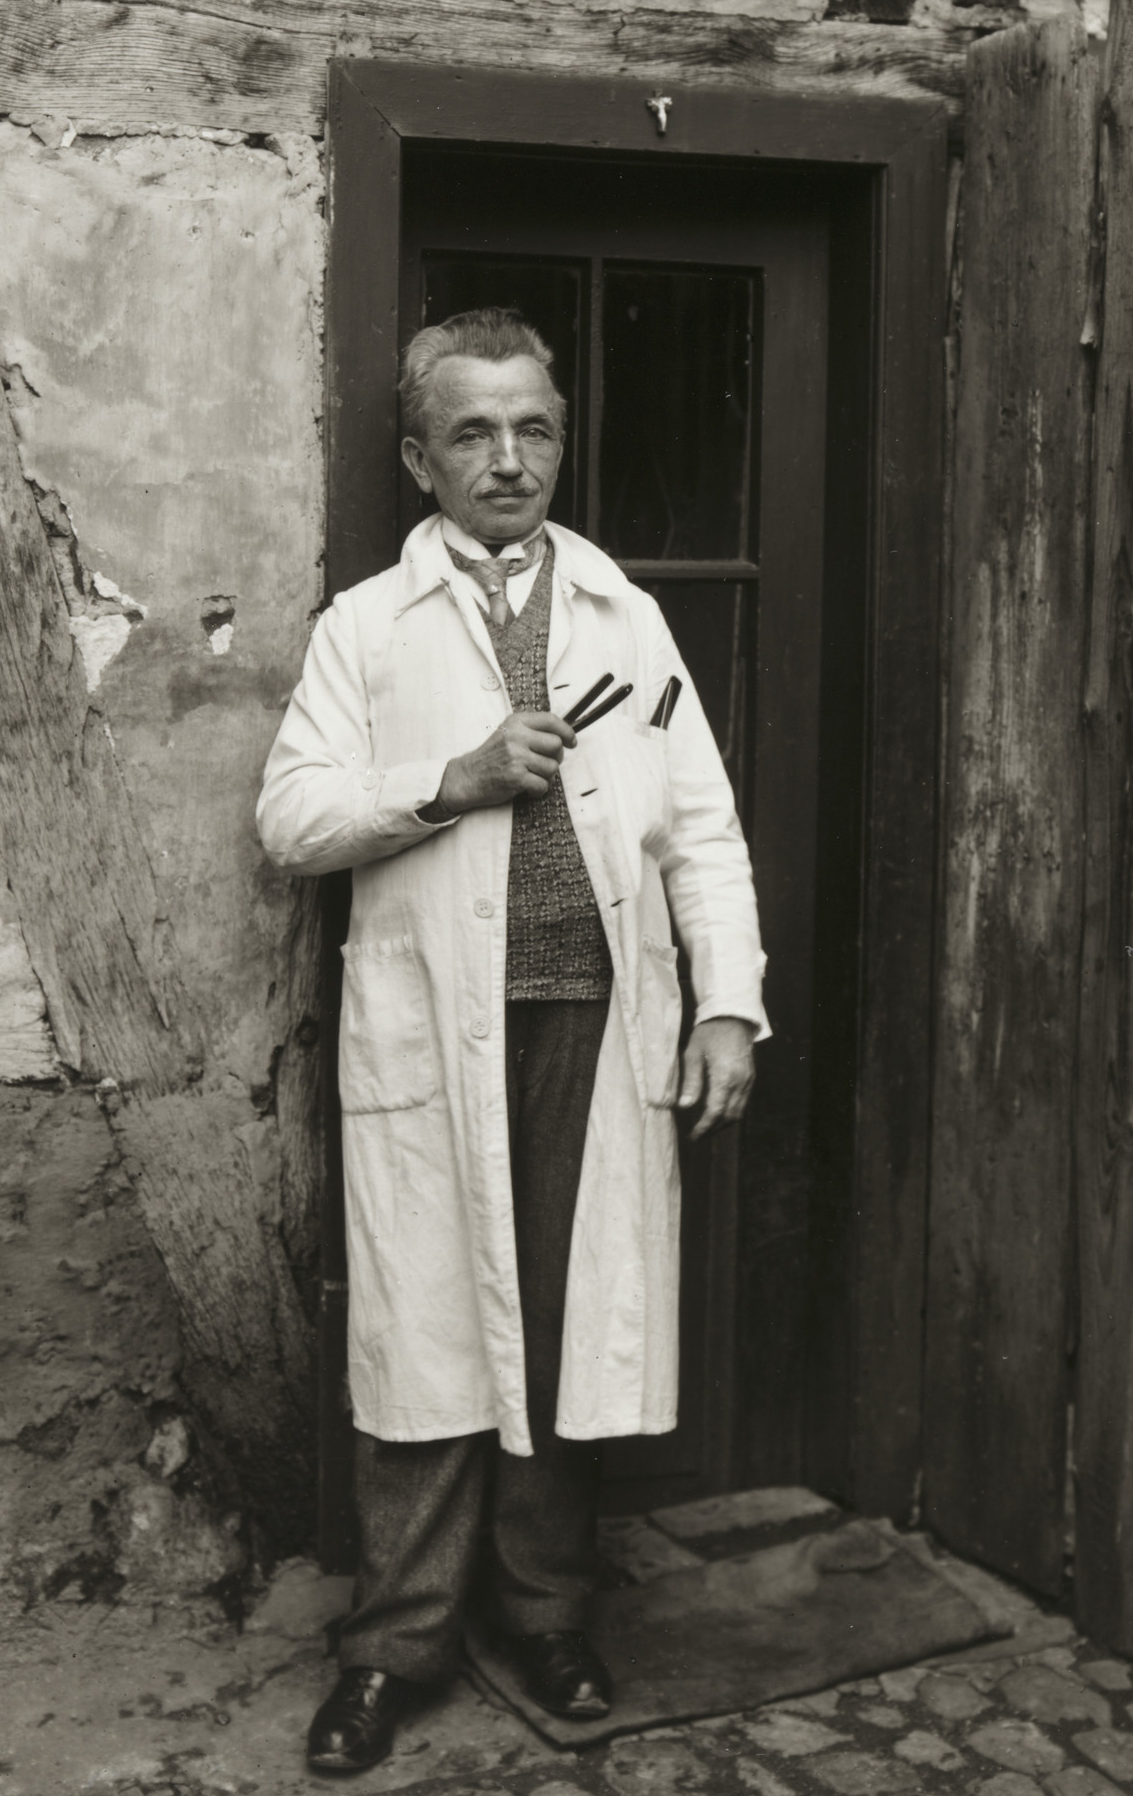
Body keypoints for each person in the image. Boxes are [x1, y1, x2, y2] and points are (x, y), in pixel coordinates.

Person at [257, 308, 768, 1777]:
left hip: (596, 1032)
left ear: (560, 439)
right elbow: (292, 820)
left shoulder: (623, 612)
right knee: (425, 1338)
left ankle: (546, 1615)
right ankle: (394, 1650)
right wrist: (456, 780)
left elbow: (703, 831)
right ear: (420, 456)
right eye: (472, 432)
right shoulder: (370, 626)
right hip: (439, 1037)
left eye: (533, 427)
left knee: (556, 1334)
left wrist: (727, 1000)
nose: (508, 458)